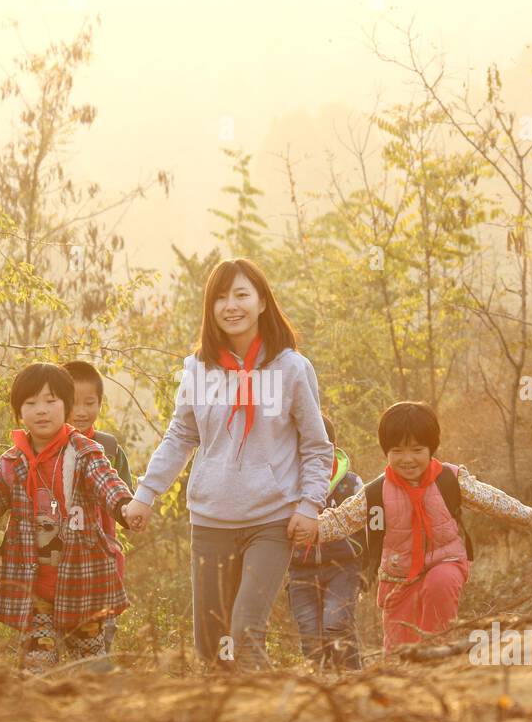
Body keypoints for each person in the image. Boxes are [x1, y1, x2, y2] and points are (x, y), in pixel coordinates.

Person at [122, 258, 333, 670]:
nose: (231, 306)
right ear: (210, 308)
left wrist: (310, 505)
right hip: (211, 519)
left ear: (262, 303)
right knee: (213, 647)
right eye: (220, 297)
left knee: (245, 634)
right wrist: (145, 494)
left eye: (241, 295)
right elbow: (181, 437)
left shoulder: (291, 368)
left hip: (271, 520)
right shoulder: (199, 369)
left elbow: (316, 445)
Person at [0, 363, 139, 674]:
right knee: (37, 671)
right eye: (31, 403)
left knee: (91, 670)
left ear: (65, 405)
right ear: (18, 411)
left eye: (51, 401)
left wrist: (125, 508)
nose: (41, 410)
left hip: (83, 585)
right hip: (35, 590)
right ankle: (38, 721)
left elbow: (108, 483)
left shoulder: (85, 453)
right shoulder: (12, 464)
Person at [305, 401, 532, 654]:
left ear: (431, 449)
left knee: (440, 583)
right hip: (398, 578)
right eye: (397, 451)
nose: (407, 459)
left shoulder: (449, 479)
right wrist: (308, 529)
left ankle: (437, 652)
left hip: (446, 560)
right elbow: (342, 519)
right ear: (386, 452)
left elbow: (489, 498)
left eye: (417, 449)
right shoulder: (375, 492)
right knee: (398, 651)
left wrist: (525, 514)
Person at [63, 360, 135, 652]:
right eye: (72, 403)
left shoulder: (109, 447)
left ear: (100, 404)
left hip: (102, 555)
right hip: (59, 558)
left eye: (89, 403)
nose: (81, 411)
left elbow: (125, 497)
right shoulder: (46, 445)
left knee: (100, 634)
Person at [287, 414, 365, 670]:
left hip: (342, 568)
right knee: (311, 637)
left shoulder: (350, 484)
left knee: (336, 624)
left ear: (330, 448)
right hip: (300, 570)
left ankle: (353, 677)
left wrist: (365, 568)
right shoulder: (285, 486)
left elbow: (365, 528)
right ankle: (320, 689)